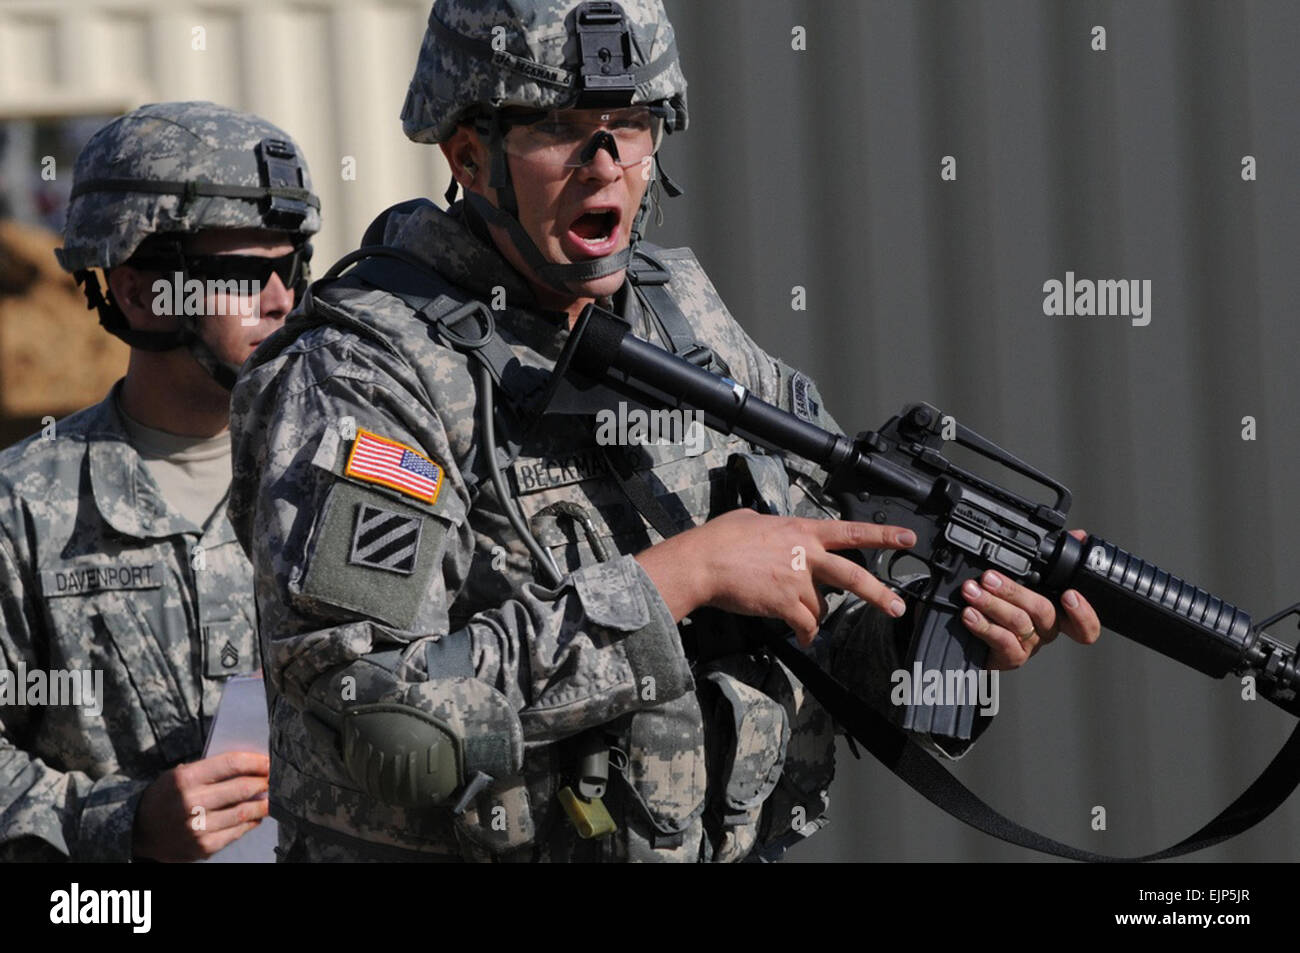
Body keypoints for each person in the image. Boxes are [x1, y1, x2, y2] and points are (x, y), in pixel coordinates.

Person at [229, 0, 1099, 862]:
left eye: (630, 124)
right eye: (561, 128)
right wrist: (682, 575)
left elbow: (823, 632)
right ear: (470, 156)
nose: (604, 165)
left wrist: (936, 643)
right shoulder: (365, 370)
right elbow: (389, 721)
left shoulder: (681, 316)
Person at [0, 101, 320, 861]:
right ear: (142, 291)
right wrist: (125, 823)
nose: (281, 299)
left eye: (292, 268)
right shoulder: (23, 505)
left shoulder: (350, 474)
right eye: (248, 275)